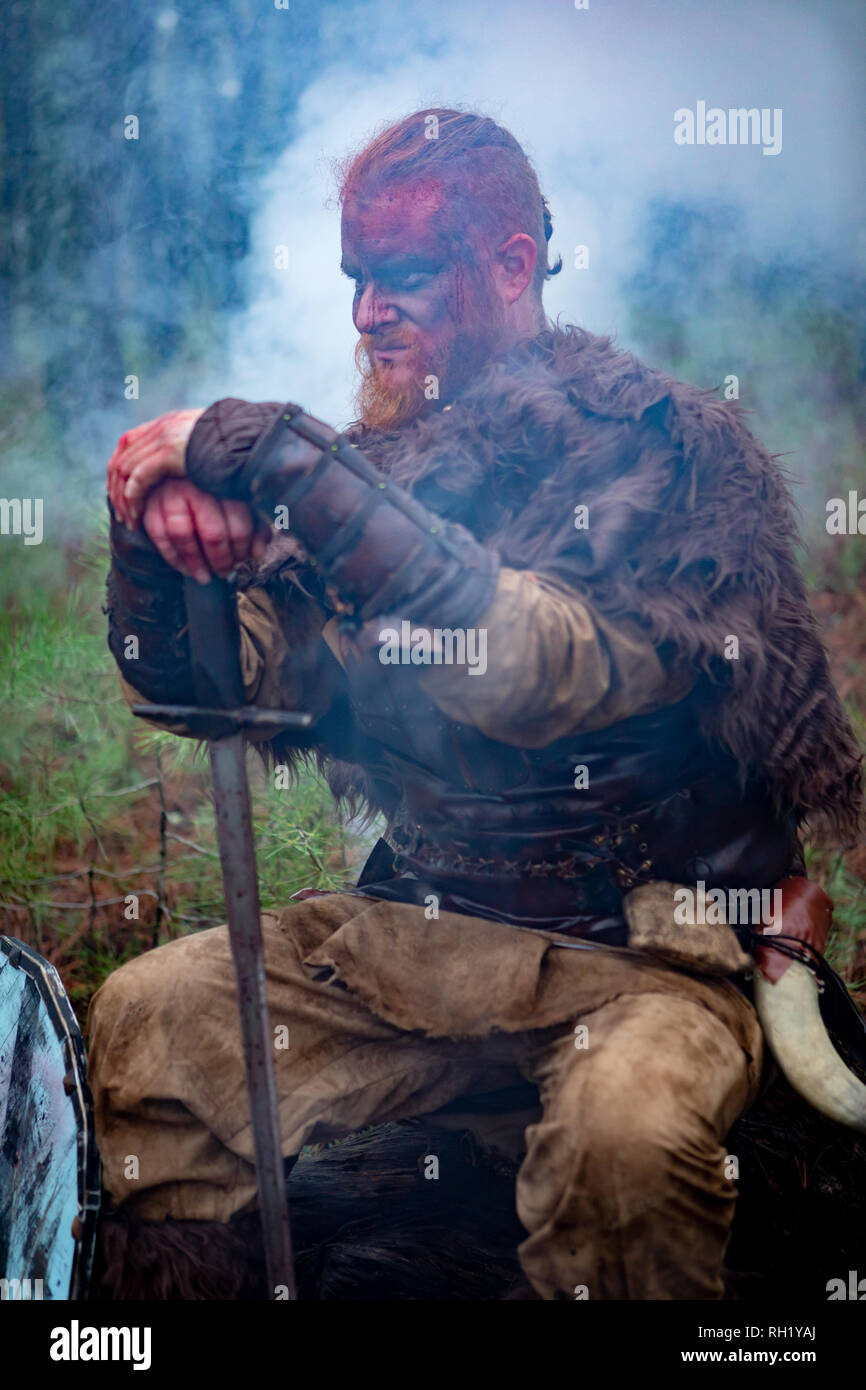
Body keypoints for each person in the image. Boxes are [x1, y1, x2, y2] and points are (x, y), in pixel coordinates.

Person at [91, 108, 863, 1300]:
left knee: (626, 1140)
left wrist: (281, 459)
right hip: (421, 933)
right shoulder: (370, 473)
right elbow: (227, 690)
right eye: (356, 282)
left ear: (511, 265)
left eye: (402, 277)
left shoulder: (666, 451)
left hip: (639, 954)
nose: (366, 315)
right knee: (155, 1019)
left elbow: (529, 669)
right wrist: (163, 546)